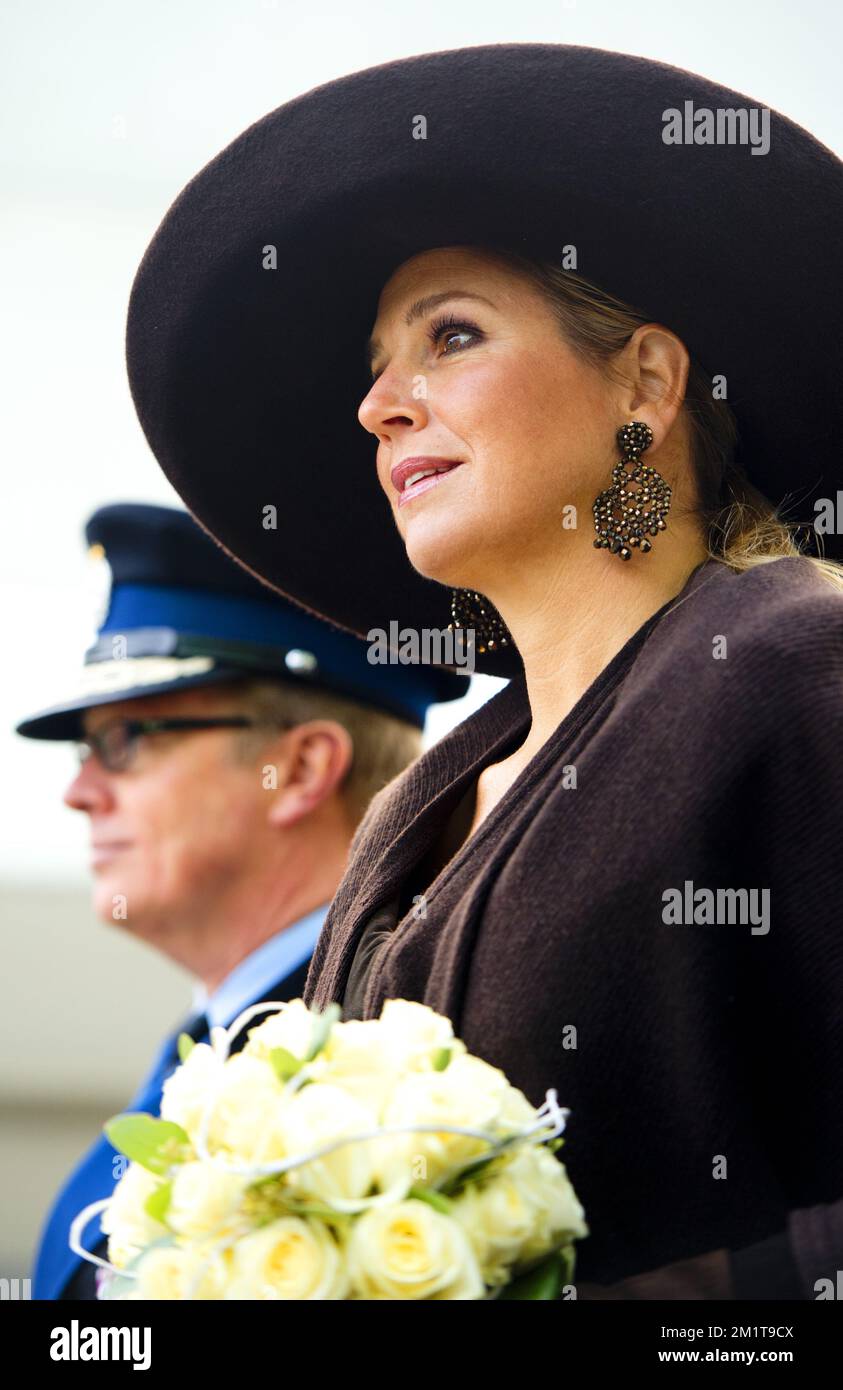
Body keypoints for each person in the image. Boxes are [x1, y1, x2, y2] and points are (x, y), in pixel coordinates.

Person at [124, 45, 843, 1299]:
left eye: (449, 335)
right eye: (376, 365)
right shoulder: (414, 810)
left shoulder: (796, 668)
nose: (379, 406)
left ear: (646, 383)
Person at [19, 502, 467, 1299]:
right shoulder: (229, 1041)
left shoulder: (411, 1060)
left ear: (299, 770)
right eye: (87, 749)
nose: (79, 793)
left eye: (124, 742)